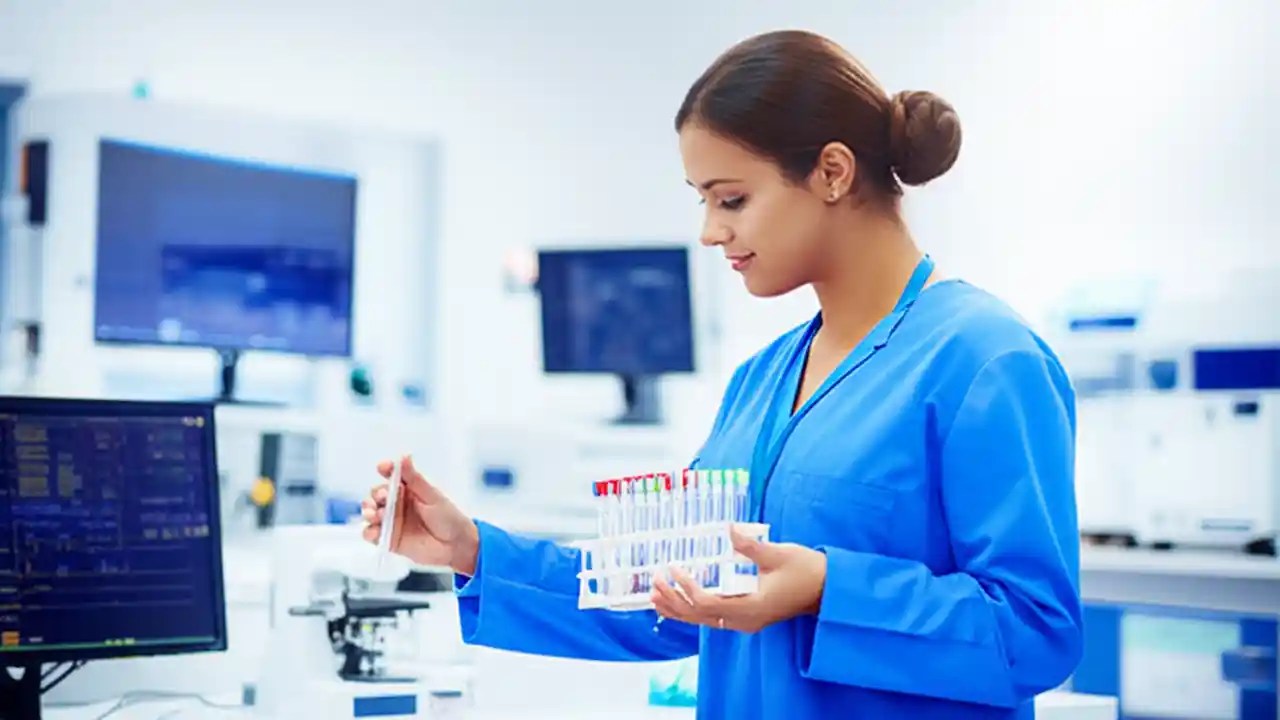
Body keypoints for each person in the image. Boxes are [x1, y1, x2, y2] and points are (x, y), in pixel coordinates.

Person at [362, 29, 1082, 720]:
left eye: (731, 198)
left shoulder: (985, 362)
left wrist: (829, 591)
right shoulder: (759, 383)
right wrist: (475, 552)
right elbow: (672, 598)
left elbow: (1035, 633)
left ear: (833, 172)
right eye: (702, 199)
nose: (710, 230)